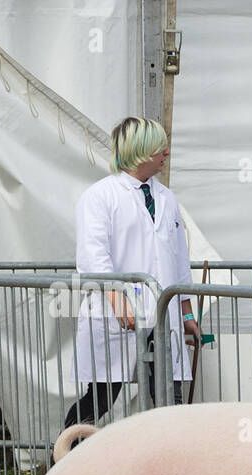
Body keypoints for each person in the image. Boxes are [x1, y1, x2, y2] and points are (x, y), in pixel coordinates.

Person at [65, 117, 196, 429]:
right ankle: (65, 457)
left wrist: (187, 311)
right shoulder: (101, 196)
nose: (166, 153)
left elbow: (179, 258)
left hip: (163, 312)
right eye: (159, 148)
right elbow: (93, 254)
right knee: (100, 396)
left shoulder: (166, 197)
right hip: (118, 313)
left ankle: (169, 466)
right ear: (141, 151)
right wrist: (115, 296)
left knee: (168, 395)